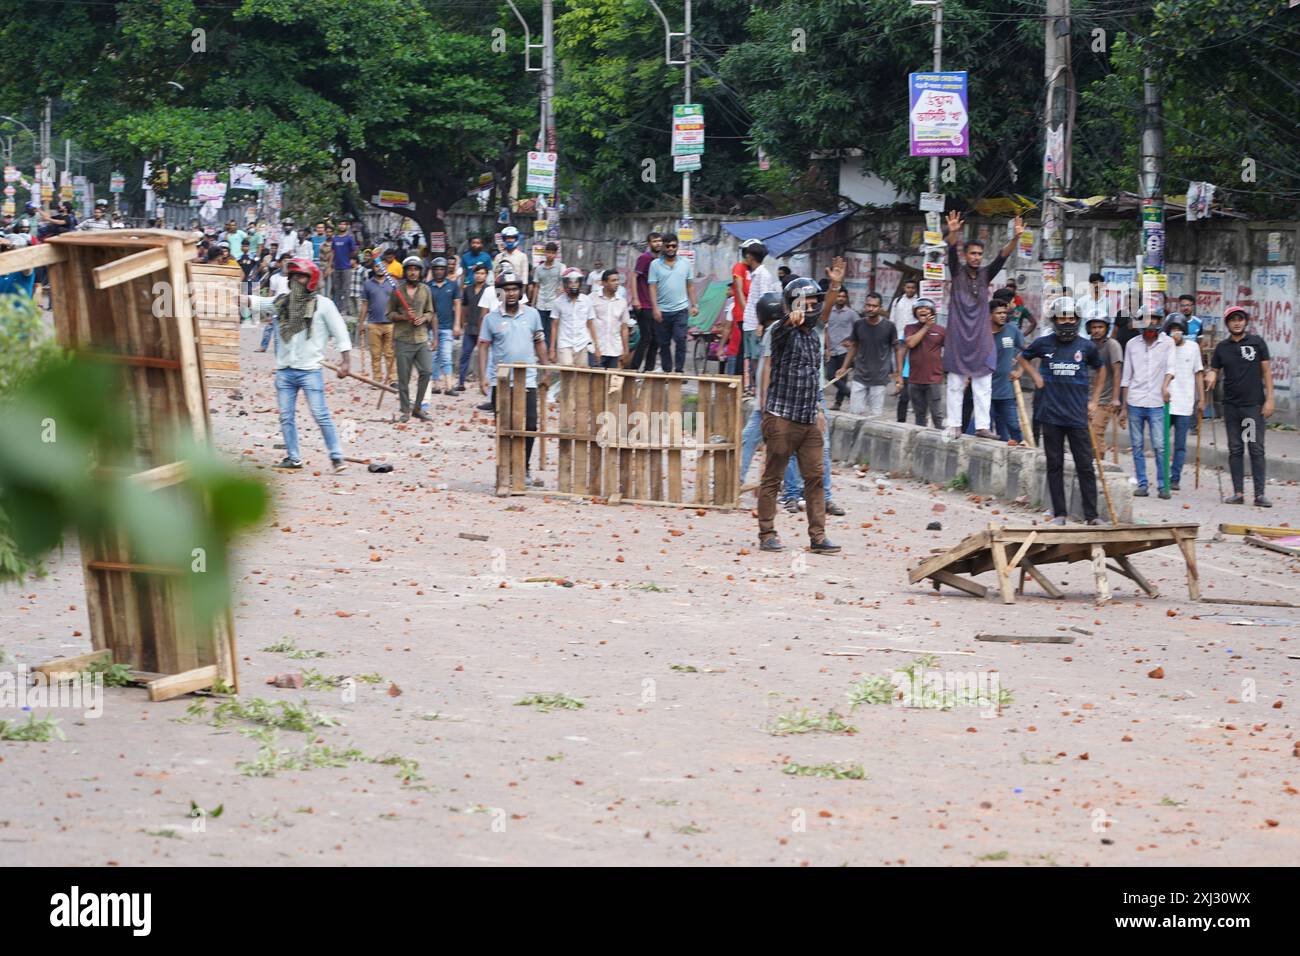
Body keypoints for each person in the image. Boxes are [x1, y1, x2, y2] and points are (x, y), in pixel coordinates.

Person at [756, 277, 840, 555]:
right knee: (773, 478)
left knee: (815, 478)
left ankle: (818, 536)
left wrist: (818, 409)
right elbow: (779, 334)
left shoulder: (813, 337)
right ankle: (767, 533)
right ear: (794, 304)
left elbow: (813, 378)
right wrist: (787, 321)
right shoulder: (781, 332)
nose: (814, 306)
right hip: (781, 417)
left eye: (816, 301)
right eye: (809, 302)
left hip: (808, 419)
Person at [243, 258, 351, 473]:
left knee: (320, 414)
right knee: (286, 416)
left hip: (310, 370)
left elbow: (341, 332)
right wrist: (231, 295)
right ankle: (294, 457)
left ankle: (337, 456)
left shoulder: (324, 305)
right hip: (285, 371)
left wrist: (346, 361)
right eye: (293, 276)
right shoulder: (282, 302)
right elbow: (257, 302)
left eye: (301, 276)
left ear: (312, 280)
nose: (296, 280)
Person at [1016, 297, 1106, 525]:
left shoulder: (1086, 347)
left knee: (1084, 465)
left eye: (1071, 318)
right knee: (1054, 465)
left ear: (1077, 320)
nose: (1067, 322)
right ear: (1054, 320)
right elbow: (1022, 357)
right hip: (1051, 415)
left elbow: (1101, 370)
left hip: (1077, 416)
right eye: (1062, 318)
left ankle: (1091, 516)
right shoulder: (1044, 343)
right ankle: (1059, 514)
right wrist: (1035, 377)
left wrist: (1094, 401)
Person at [942, 210, 1022, 439]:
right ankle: (954, 425)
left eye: (979, 253)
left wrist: (1016, 238)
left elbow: (1001, 257)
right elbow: (950, 252)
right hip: (958, 334)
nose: (976, 257)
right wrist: (953, 233)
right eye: (972, 253)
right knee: (956, 383)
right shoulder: (957, 272)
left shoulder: (986, 275)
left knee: (983, 381)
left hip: (980, 336)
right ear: (966, 255)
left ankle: (982, 427)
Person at [477, 271, 548, 486]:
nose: (511, 293)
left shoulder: (532, 315)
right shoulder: (491, 319)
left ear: (520, 292)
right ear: (500, 293)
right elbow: (483, 347)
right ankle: (505, 469)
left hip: (528, 380)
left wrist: (546, 370)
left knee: (531, 426)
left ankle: (524, 467)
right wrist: (483, 377)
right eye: (507, 290)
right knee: (504, 427)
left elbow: (539, 342)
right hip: (502, 381)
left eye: (515, 289)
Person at [1206, 306, 1273, 507]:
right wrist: (1211, 375)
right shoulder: (1222, 348)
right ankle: (1238, 492)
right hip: (1231, 407)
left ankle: (1259, 494)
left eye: (1240, 319)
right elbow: (1215, 370)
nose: (1237, 322)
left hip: (1251, 407)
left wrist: (1270, 399)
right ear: (1227, 324)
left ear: (1245, 322)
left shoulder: (1256, 343)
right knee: (1235, 449)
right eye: (1233, 319)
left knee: (1255, 448)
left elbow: (1267, 373)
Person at [1119, 313, 1175, 498]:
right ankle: (1142, 483)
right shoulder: (1132, 344)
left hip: (1157, 402)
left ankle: (1162, 484)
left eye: (1154, 320)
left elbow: (1170, 369)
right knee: (1137, 445)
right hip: (1135, 399)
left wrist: (1165, 386)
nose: (1151, 325)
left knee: (1159, 445)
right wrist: (1124, 408)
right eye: (1147, 320)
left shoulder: (1167, 343)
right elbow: (1126, 376)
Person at [739, 292, 785, 485]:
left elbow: (768, 365)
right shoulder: (780, 329)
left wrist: (765, 401)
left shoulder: (772, 332)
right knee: (778, 446)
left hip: (767, 404)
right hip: (772, 402)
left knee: (747, 440)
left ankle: (736, 478)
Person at [386, 255, 434, 423]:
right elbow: (389, 313)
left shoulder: (425, 290)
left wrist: (425, 318)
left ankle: (418, 408)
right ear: (405, 272)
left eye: (416, 270)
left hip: (421, 338)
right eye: (410, 270)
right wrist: (402, 316)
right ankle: (405, 410)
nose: (413, 273)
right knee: (403, 378)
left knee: (427, 371)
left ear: (420, 272)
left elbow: (430, 312)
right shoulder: (397, 290)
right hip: (403, 339)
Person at [1160, 315, 1204, 492]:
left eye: (1178, 329)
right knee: (1161, 442)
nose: (1175, 333)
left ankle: (1175, 477)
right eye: (1172, 329)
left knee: (1180, 445)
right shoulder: (1163, 347)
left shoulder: (1193, 348)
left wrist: (1202, 399)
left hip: (1185, 403)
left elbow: (1198, 373)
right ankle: (1162, 474)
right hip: (1166, 402)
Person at [836, 292, 895, 418]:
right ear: (865, 306)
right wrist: (844, 367)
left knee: (875, 417)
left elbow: (897, 349)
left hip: (879, 377)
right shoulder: (859, 324)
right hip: (860, 375)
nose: (871, 308)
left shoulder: (889, 326)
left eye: (874, 306)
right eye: (868, 305)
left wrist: (898, 373)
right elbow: (854, 346)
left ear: (880, 308)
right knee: (854, 415)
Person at [647, 233, 698, 374]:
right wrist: (655, 308)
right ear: (663, 246)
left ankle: (679, 371)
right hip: (662, 311)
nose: (670, 248)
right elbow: (652, 287)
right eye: (667, 245)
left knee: (680, 340)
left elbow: (690, 286)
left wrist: (694, 304)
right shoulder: (655, 265)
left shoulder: (685, 264)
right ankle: (667, 371)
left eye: (673, 246)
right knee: (664, 344)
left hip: (681, 310)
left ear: (677, 246)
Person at [739, 239, 780, 393]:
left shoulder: (763, 275)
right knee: (750, 357)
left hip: (755, 323)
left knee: (757, 358)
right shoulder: (754, 274)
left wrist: (761, 323)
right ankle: (753, 386)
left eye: (747, 254)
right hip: (748, 321)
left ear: (751, 257)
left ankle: (759, 388)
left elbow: (765, 300)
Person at [902, 298, 946, 428]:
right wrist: (926, 327)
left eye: (927, 308)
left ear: (932, 312)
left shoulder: (941, 330)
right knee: (919, 416)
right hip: (915, 380)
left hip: (934, 380)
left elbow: (951, 349)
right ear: (915, 312)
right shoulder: (910, 328)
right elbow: (911, 343)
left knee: (937, 415)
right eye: (920, 308)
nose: (923, 310)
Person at [1084, 313, 1124, 457]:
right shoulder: (1087, 346)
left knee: (1096, 431)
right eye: (1094, 327)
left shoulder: (1112, 345)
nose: (1097, 330)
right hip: (1087, 397)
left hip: (1104, 400)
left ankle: (1099, 463)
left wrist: (1115, 398)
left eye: (1100, 327)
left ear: (1106, 328)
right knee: (1084, 434)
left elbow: (1117, 371)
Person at [549, 267, 593, 396]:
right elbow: (554, 325)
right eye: (570, 282)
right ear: (566, 283)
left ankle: (579, 408)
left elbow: (590, 324)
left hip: (582, 343)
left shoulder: (586, 301)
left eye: (576, 282)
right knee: (567, 375)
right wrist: (552, 348)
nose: (573, 285)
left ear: (580, 283)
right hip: (565, 343)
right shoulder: (558, 302)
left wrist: (596, 346)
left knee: (581, 377)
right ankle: (567, 404)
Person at [988, 298, 1025, 442]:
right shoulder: (982, 333)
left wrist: (1020, 371)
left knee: (1014, 427)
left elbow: (1025, 352)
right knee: (987, 428)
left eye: (1005, 312)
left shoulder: (1012, 330)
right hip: (985, 391)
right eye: (999, 313)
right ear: (990, 315)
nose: (1003, 315)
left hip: (1006, 390)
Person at [425, 256, 460, 395]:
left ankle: (449, 386)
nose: (439, 272)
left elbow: (457, 304)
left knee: (446, 356)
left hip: (447, 327)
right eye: (436, 269)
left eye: (442, 269)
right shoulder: (427, 287)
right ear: (432, 271)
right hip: (430, 329)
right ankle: (435, 384)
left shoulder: (452, 286)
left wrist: (457, 324)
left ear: (446, 270)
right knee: (433, 357)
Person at [629, 232, 663, 371]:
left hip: (657, 304)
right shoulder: (644, 258)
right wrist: (635, 298)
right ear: (649, 243)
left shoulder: (662, 260)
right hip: (643, 304)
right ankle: (633, 368)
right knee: (646, 337)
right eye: (655, 241)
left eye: (660, 241)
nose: (658, 244)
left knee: (656, 339)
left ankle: (649, 369)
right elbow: (634, 277)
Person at [587, 268, 635, 368]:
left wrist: (625, 350)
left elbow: (624, 327)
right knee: (596, 382)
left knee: (613, 382)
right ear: (604, 283)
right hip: (596, 350)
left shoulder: (622, 302)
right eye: (613, 280)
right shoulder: (592, 298)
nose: (617, 283)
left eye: (618, 280)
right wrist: (594, 347)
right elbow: (587, 324)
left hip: (615, 350)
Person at [720, 244, 752, 388]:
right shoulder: (739, 268)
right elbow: (727, 329)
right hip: (734, 347)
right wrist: (721, 347)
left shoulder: (752, 272)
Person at [359, 264, 397, 386]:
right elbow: (364, 305)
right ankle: (377, 380)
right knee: (375, 354)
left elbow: (398, 303)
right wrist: (361, 324)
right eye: (377, 266)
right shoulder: (367, 284)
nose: (379, 268)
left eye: (382, 266)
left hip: (390, 324)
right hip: (373, 324)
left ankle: (392, 380)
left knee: (390, 354)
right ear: (373, 268)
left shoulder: (392, 283)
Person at [889, 277, 920, 422]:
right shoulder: (897, 301)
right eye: (908, 287)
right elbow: (892, 318)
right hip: (900, 336)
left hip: (913, 339)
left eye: (912, 288)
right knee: (898, 366)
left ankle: (907, 392)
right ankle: (899, 385)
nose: (910, 290)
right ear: (904, 288)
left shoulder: (918, 302)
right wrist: (893, 335)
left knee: (910, 367)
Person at [457, 262, 492, 390]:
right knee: (465, 354)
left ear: (486, 275)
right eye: (477, 273)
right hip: (470, 327)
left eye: (482, 273)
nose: (479, 276)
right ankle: (460, 382)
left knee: (484, 357)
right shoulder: (468, 289)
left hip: (484, 329)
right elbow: (464, 307)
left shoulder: (490, 290)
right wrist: (463, 323)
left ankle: (484, 382)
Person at [824, 286, 859, 410]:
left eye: (843, 296)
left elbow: (859, 328)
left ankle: (838, 404)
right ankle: (849, 394)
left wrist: (851, 341)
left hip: (845, 351)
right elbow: (826, 331)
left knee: (842, 378)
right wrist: (827, 348)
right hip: (832, 351)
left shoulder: (851, 313)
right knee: (829, 375)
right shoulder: (828, 312)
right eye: (839, 296)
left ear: (846, 298)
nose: (841, 298)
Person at [532, 242, 564, 349]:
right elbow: (536, 286)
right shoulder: (539, 269)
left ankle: (552, 350)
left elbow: (562, 284)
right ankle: (542, 352)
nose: (550, 255)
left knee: (552, 329)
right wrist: (533, 303)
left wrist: (560, 297)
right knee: (540, 330)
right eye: (548, 252)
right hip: (541, 303)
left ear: (555, 254)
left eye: (552, 253)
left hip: (554, 304)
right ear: (545, 253)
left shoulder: (560, 267)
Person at [327, 219, 358, 312]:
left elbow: (354, 250)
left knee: (346, 289)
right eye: (340, 224)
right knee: (337, 289)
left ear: (346, 226)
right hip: (336, 267)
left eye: (344, 224)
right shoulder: (335, 238)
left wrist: (353, 261)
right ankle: (338, 309)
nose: (341, 226)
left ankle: (346, 309)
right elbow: (332, 252)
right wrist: (329, 266)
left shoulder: (349, 238)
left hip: (346, 268)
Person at [493, 225, 530, 290]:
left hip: (517, 290)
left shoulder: (522, 256)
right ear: (503, 239)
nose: (509, 240)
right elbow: (495, 278)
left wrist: (521, 295)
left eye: (512, 238)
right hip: (502, 291)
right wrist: (498, 294)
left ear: (516, 239)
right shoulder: (498, 257)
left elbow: (524, 280)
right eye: (507, 238)